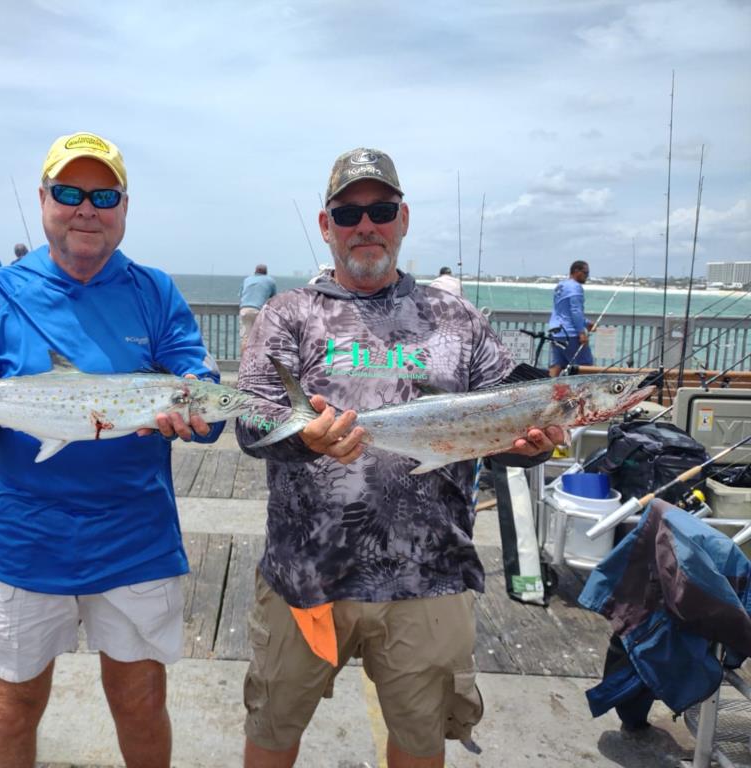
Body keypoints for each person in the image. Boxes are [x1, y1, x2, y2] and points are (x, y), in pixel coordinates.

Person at [0, 131, 225, 768]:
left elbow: (205, 402)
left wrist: (198, 412)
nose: (87, 208)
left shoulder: (155, 292)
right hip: (28, 538)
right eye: (71, 192)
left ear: (124, 207)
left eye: (103, 194)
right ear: (45, 199)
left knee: (139, 701)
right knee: (11, 706)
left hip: (136, 539)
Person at [236, 147, 562, 768]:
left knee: (419, 742)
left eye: (380, 209)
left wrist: (529, 444)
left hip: (430, 577)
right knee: (273, 729)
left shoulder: (457, 318)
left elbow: (505, 420)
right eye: (349, 211)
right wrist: (303, 436)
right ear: (326, 224)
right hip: (306, 578)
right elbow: (251, 421)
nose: (366, 224)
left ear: (403, 218)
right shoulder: (289, 314)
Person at [547, 260, 594, 377]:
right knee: (585, 365)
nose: (587, 276)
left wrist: (586, 322)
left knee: (557, 364)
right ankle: (584, 393)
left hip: (556, 332)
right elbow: (575, 312)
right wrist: (581, 332)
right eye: (585, 273)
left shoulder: (561, 286)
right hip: (570, 334)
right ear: (576, 271)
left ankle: (549, 390)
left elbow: (563, 311)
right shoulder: (575, 288)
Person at [239, 264, 277, 355]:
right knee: (260, 337)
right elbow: (274, 298)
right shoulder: (270, 281)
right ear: (266, 272)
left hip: (244, 309)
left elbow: (241, 295)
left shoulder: (247, 280)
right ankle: (257, 360)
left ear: (255, 271)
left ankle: (244, 362)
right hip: (259, 310)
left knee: (245, 338)